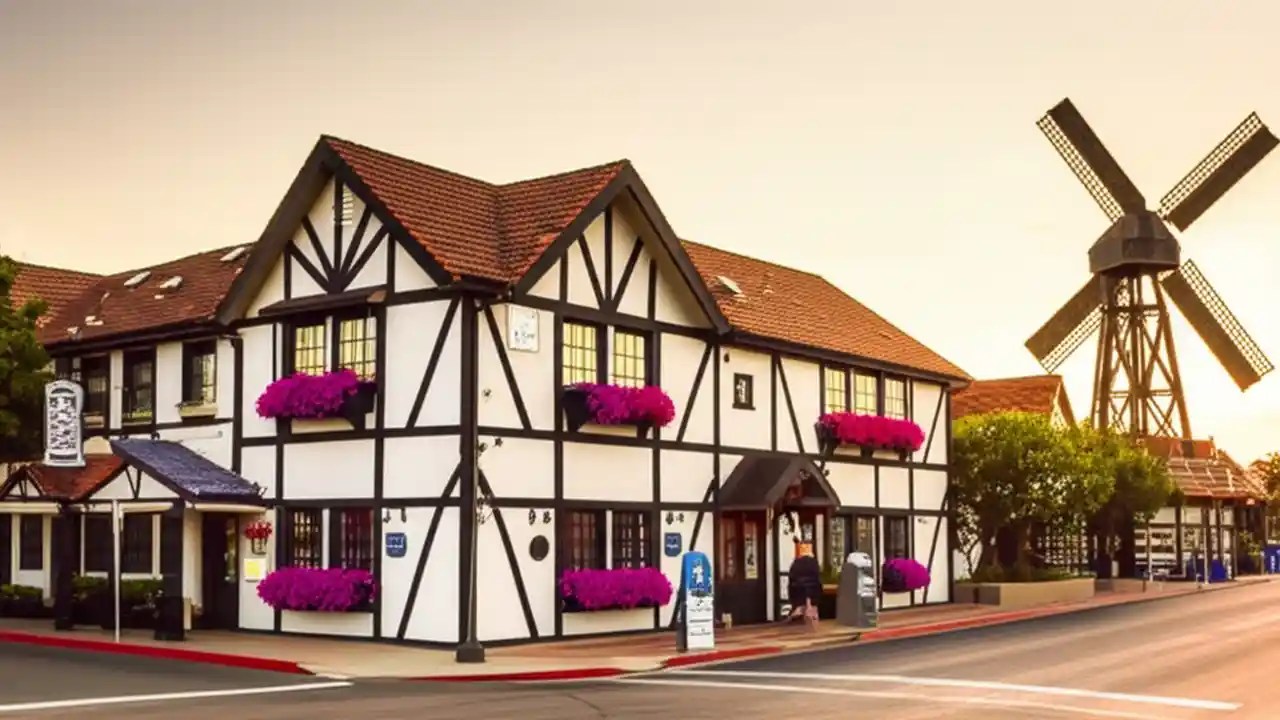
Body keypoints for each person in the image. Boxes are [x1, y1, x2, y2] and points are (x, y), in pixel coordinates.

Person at [785, 540, 822, 630]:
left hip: (798, 592)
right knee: (812, 608)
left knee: (801, 604)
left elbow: (791, 577)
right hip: (813, 591)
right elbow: (817, 577)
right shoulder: (814, 562)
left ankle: (798, 611)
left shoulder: (796, 563)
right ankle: (813, 621)